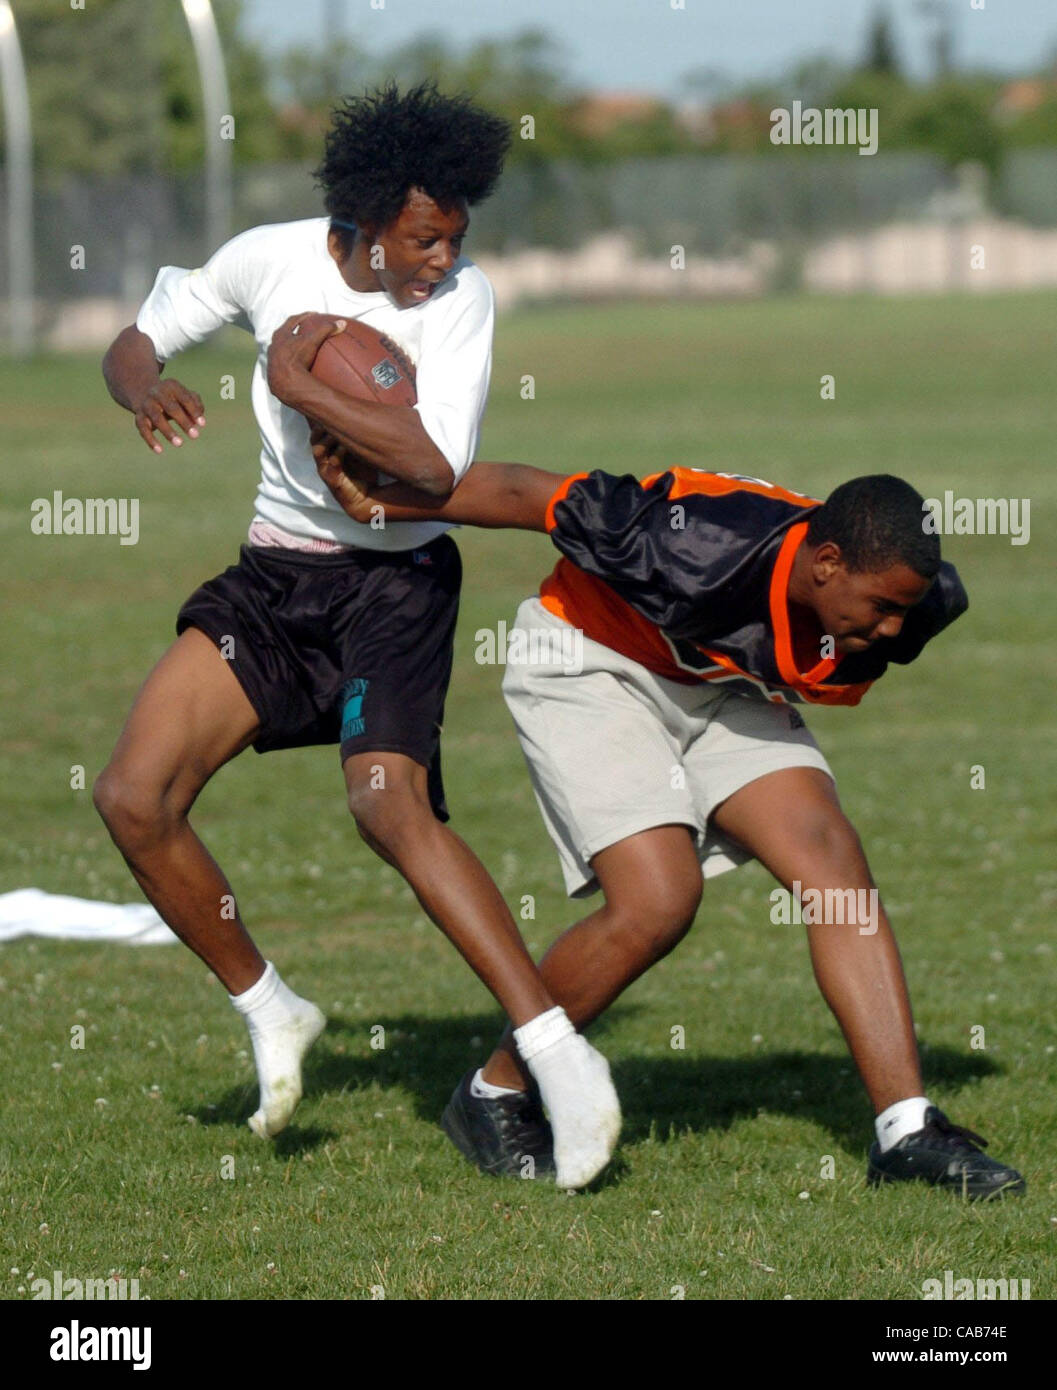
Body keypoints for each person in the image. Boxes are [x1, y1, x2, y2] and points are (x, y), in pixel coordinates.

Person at [93, 82, 619, 1191]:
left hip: (396, 583)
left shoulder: (461, 302)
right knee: (133, 796)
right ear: (369, 219)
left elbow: (432, 471)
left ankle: (553, 1051)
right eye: (424, 238)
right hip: (275, 577)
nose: (440, 258)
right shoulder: (265, 260)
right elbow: (132, 342)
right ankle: (271, 1006)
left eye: (455, 238)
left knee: (387, 802)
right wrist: (146, 389)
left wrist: (298, 382)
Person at [313, 448, 1026, 1200]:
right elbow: (529, 494)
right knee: (657, 900)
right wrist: (386, 500)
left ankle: (905, 1130)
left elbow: (820, 636)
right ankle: (496, 1091)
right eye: (879, 607)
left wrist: (880, 617)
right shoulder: (693, 539)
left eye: (901, 611)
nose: (890, 628)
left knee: (833, 870)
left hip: (717, 682)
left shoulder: (914, 603)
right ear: (824, 562)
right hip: (592, 659)